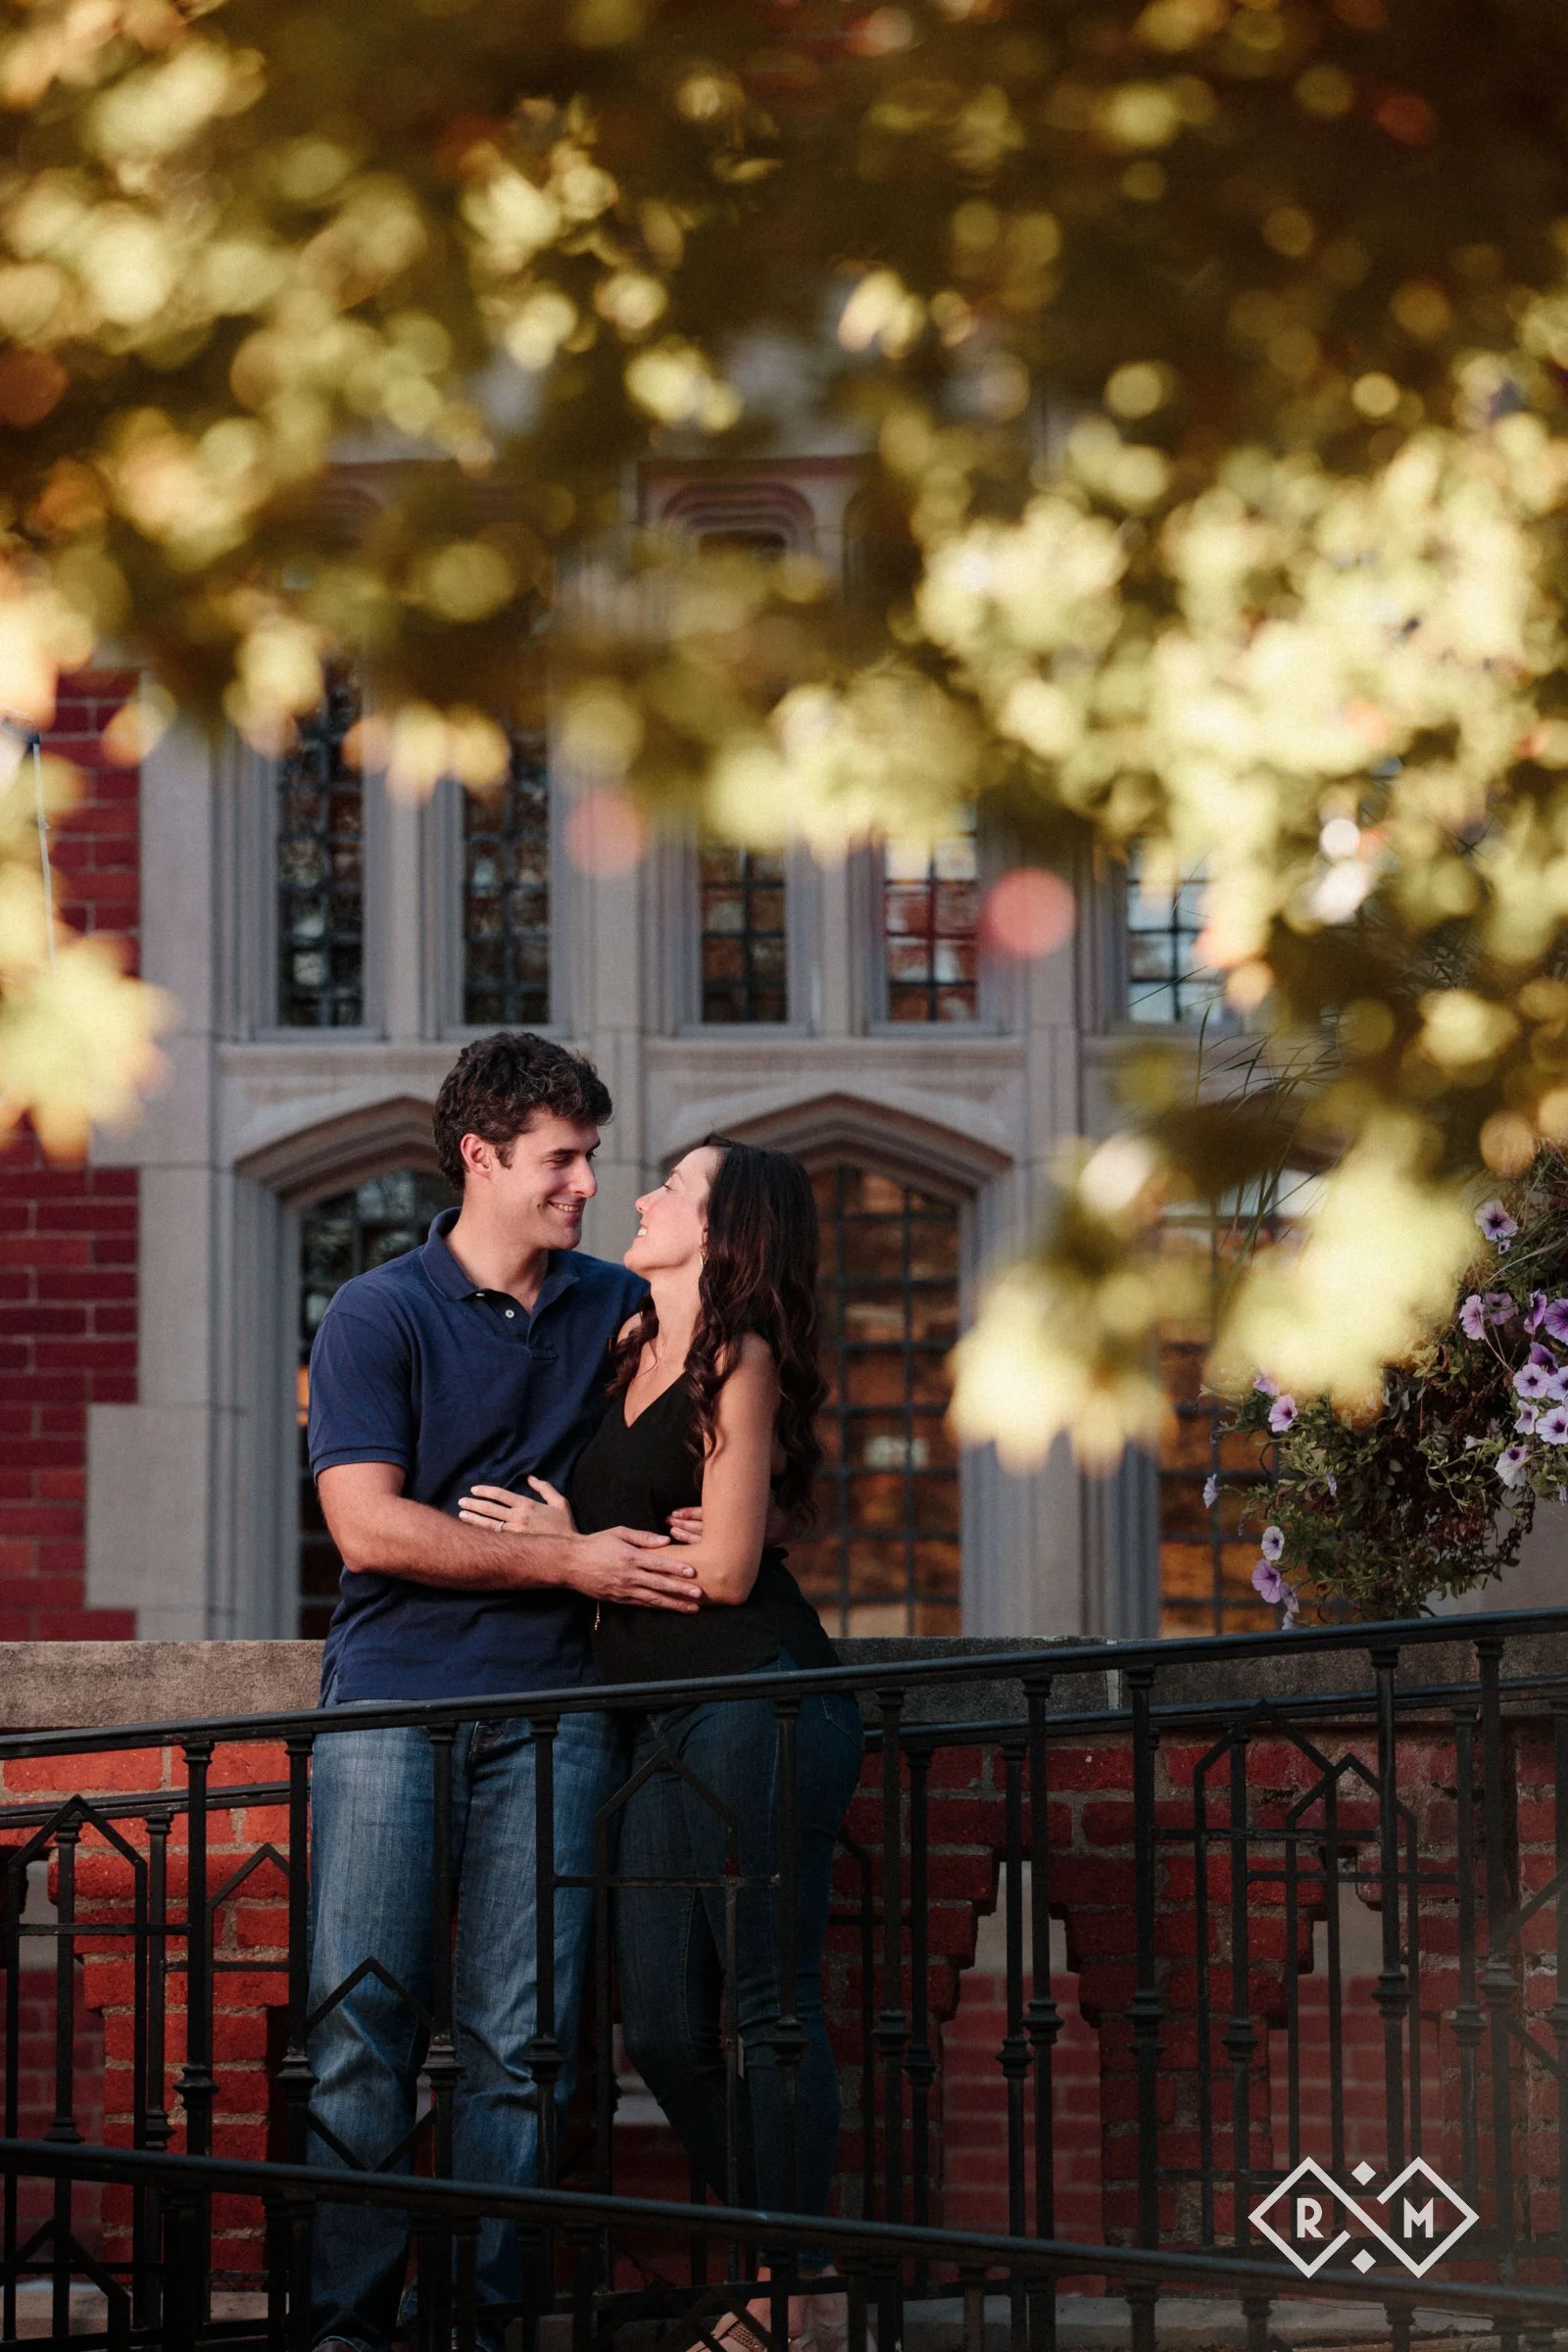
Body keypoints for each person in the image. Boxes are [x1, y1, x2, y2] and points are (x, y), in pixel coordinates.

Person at [304, 1032, 707, 2352]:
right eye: (561, 1160)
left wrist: (682, 1526)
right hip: (392, 1708)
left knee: (522, 2044)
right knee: (361, 2028)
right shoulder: (379, 1313)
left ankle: (481, 2326)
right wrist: (563, 1558)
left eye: (590, 1157)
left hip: (559, 1715)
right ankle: (350, 2327)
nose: (587, 1183)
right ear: (480, 1157)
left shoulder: (619, 1307)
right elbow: (368, 1528)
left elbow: (725, 1436)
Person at [460, 1137, 863, 2352]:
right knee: (666, 2032)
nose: (640, 1195)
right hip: (651, 1718)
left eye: (673, 1187)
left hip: (756, 1699)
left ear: (724, 1227)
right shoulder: (623, 1340)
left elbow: (730, 1573)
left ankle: (789, 2292)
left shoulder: (737, 1357)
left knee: (766, 2001)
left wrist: (582, 1548)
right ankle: (802, 2273)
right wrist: (591, 1545)